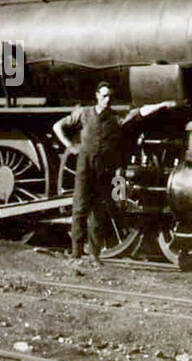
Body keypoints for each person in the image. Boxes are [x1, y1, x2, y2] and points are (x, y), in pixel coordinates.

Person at [53, 82, 174, 266]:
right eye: (104, 96)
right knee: (79, 209)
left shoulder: (115, 119)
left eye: (110, 96)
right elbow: (58, 126)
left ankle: (94, 255)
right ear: (97, 96)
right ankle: (76, 254)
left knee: (99, 212)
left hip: (103, 169)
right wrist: (70, 146)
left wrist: (162, 104)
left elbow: (139, 112)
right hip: (84, 166)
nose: (107, 100)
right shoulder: (83, 114)